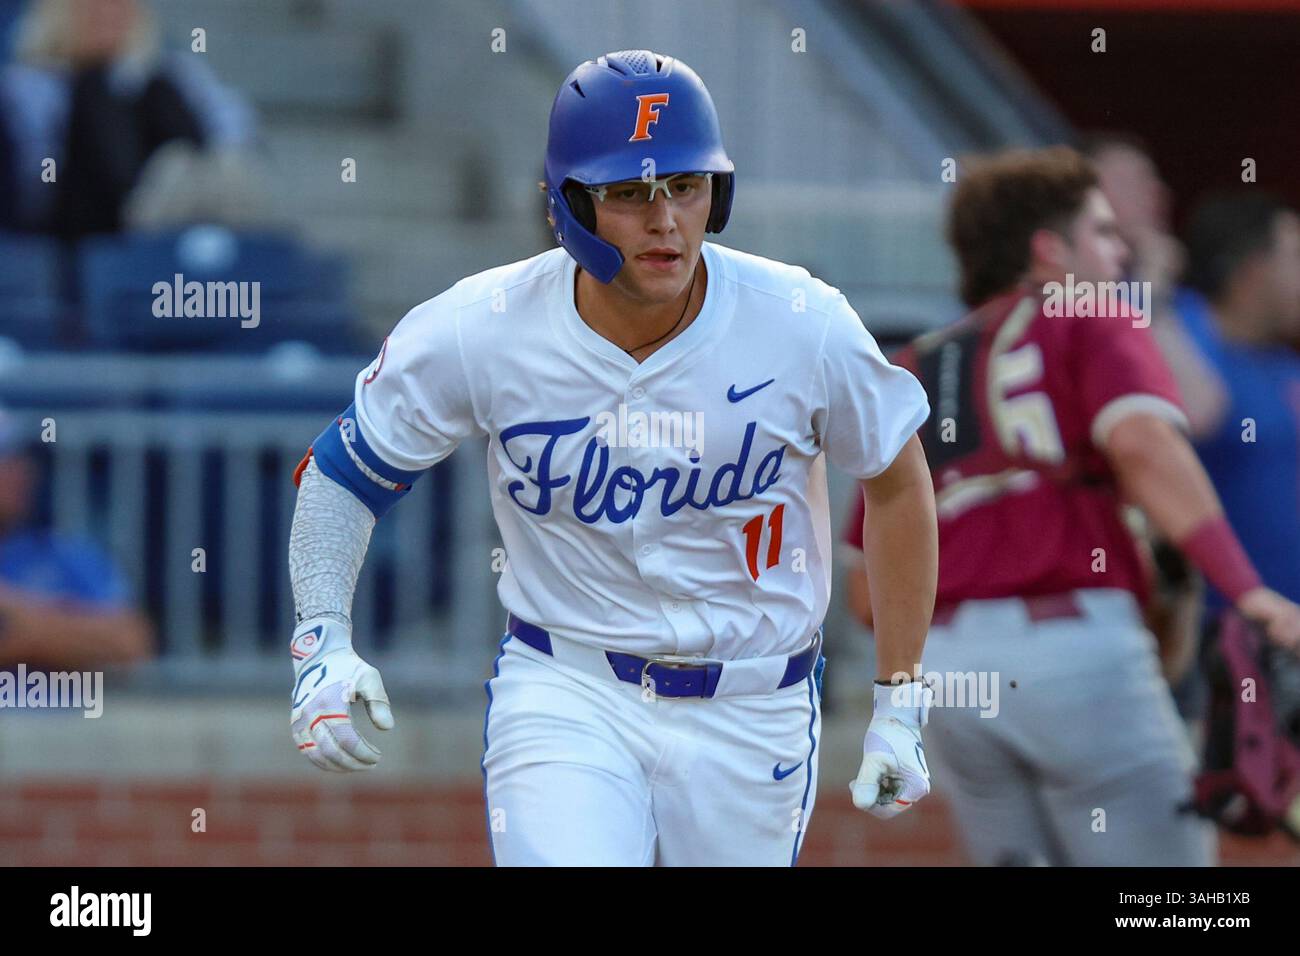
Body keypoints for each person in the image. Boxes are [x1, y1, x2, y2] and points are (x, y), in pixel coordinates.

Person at [285, 50, 938, 866]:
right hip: (568, 685)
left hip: (755, 698)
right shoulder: (481, 324)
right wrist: (322, 638)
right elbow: (341, 477)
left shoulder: (802, 320)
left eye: (687, 187)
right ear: (566, 206)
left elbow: (899, 481)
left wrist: (899, 699)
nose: (666, 220)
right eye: (630, 193)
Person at [842, 146, 1300, 866]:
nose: (1121, 250)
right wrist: (1246, 593)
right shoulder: (1089, 312)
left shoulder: (911, 365)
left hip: (948, 674)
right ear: (1050, 250)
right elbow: (1146, 445)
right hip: (1076, 648)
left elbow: (868, 592)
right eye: (1104, 231)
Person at [0, 0, 256, 239]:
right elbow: (35, 175)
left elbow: (232, 124)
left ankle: (183, 190)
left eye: (119, 6)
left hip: (166, 188)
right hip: (74, 215)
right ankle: (148, 203)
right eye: (94, 8)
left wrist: (127, 80)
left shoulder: (167, 72)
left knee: (160, 87)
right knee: (95, 87)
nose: (109, 14)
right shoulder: (26, 82)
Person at [0, 406, 153, 669]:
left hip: (57, 707)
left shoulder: (62, 552)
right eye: (5, 461)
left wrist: (18, 615)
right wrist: (67, 634)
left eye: (21, 460)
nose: (21, 473)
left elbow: (131, 644)